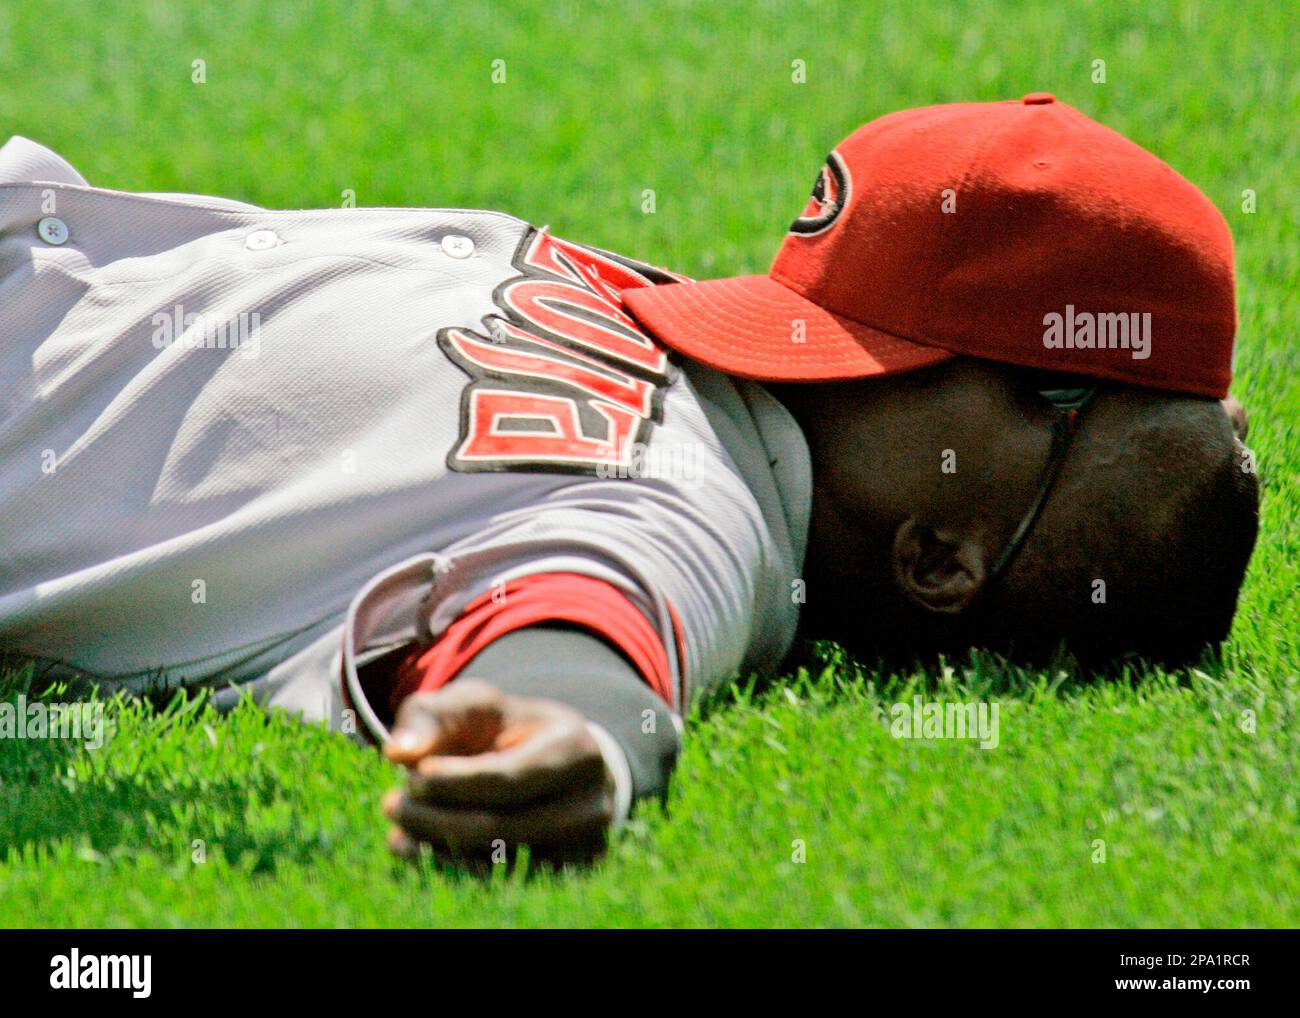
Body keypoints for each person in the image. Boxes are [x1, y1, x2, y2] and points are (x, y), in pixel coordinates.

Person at [0, 94, 1257, 865]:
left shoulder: (618, 296)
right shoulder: (694, 497)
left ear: (942, 552)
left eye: (1066, 392)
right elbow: (608, 603)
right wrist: (585, 733)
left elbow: (583, 622)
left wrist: (571, 726)